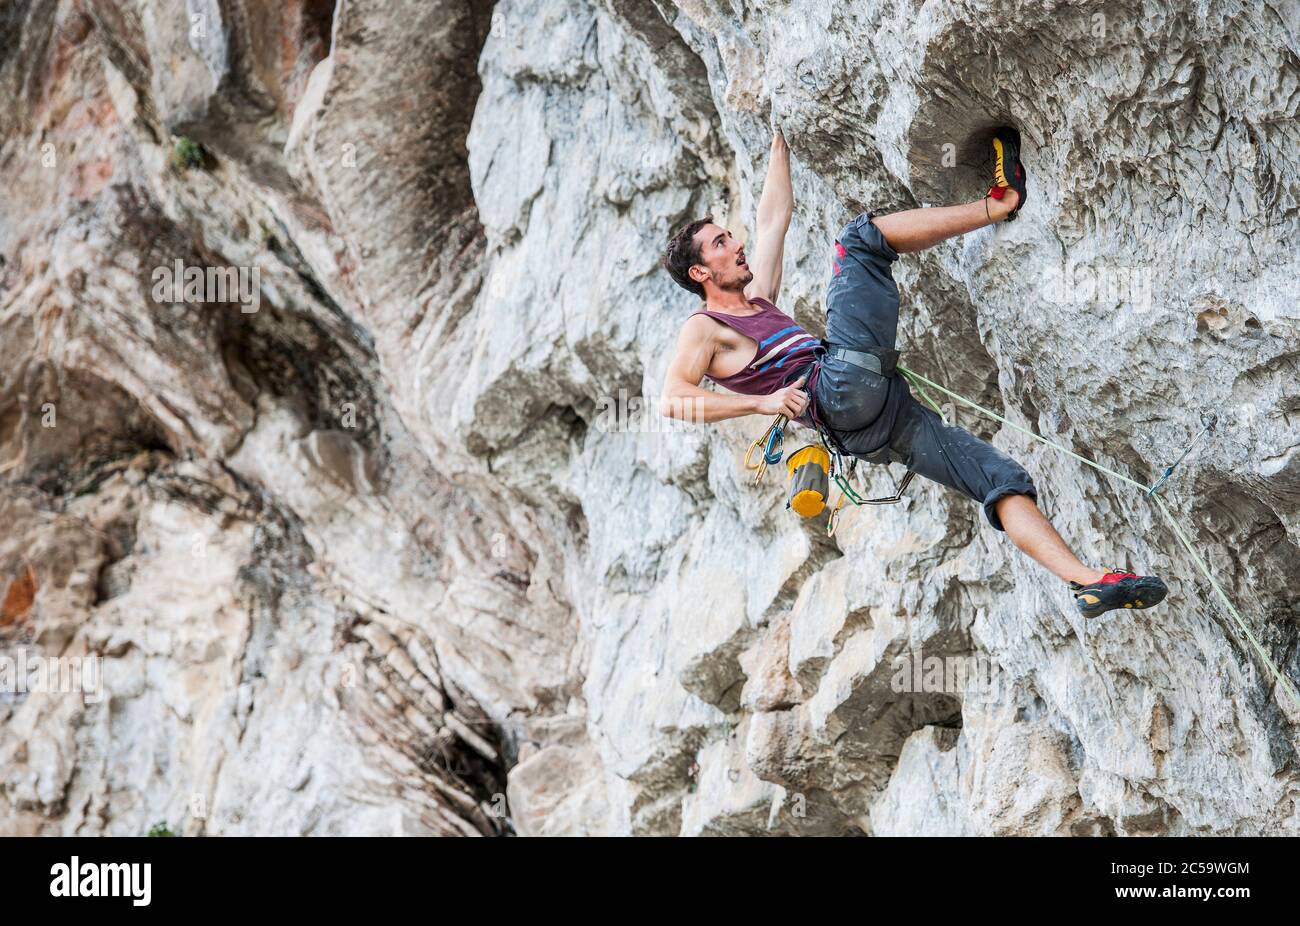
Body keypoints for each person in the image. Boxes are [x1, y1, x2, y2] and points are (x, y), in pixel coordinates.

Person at [659, 128, 1167, 618]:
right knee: (858, 243)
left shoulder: (758, 302)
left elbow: (773, 219)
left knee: (999, 479)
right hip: (836, 387)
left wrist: (779, 136)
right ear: (701, 273)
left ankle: (1085, 581)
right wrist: (761, 403)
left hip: (866, 426)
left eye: (729, 235)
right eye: (721, 243)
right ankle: (999, 203)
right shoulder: (704, 327)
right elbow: (673, 399)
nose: (735, 243)